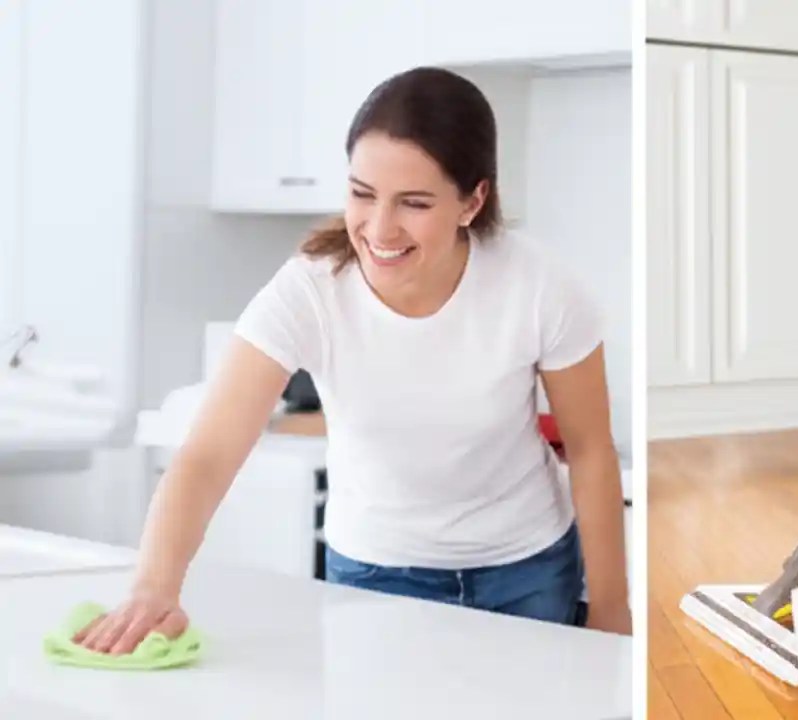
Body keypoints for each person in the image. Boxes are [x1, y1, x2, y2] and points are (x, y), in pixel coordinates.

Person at [71, 67, 631, 655]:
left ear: (473, 200)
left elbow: (590, 450)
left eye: (414, 203)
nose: (380, 228)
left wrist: (612, 609)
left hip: (529, 571)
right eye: (362, 194)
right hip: (375, 574)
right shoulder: (309, 293)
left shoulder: (540, 286)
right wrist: (153, 588)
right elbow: (207, 455)